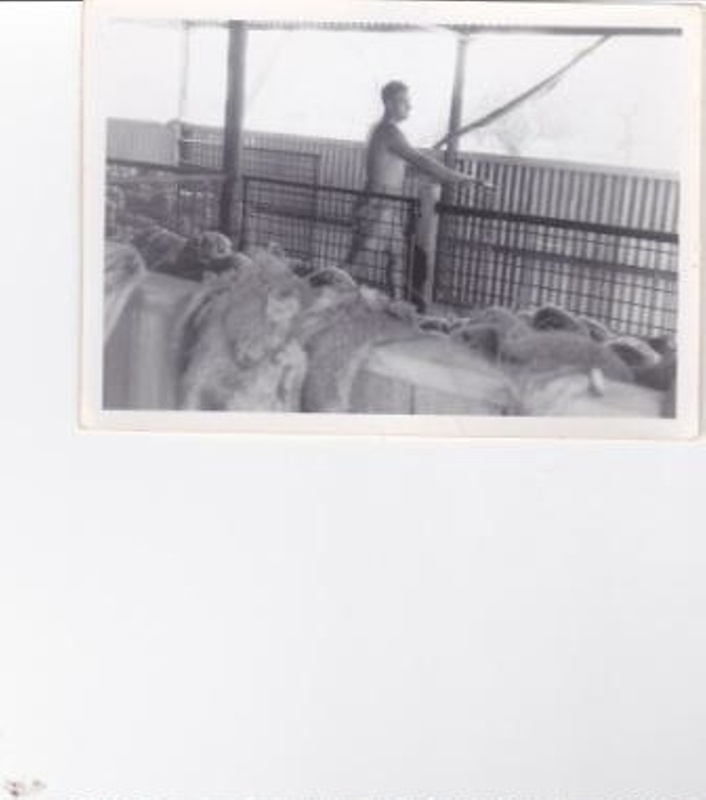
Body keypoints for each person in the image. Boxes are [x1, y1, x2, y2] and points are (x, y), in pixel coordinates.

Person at [346, 80, 494, 300]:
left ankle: (397, 309)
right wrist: (465, 179)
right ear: (388, 103)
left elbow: (397, 170)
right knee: (357, 265)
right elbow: (420, 160)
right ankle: (328, 298)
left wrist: (434, 175)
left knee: (397, 262)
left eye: (408, 101)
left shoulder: (381, 131)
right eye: (404, 101)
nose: (409, 106)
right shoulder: (389, 131)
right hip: (378, 206)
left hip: (387, 206)